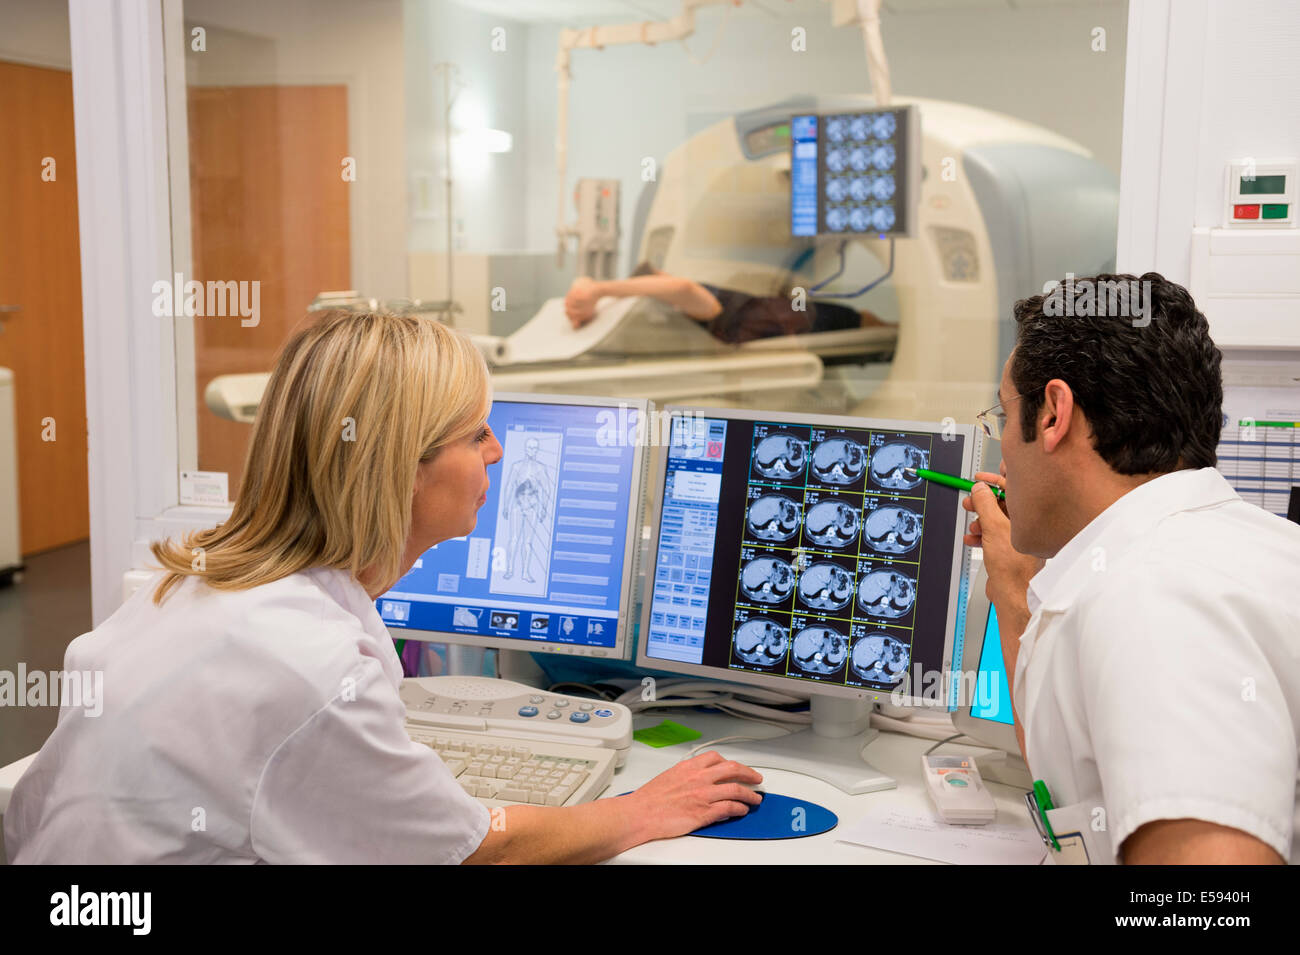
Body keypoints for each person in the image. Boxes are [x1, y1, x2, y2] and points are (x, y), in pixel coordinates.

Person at [3, 310, 761, 864]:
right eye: (474, 435)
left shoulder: (191, 588)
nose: (497, 450)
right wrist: (637, 812)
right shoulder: (311, 663)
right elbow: (472, 851)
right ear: (401, 468)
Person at [963, 272, 1299, 865]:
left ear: (1052, 415)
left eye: (1003, 414)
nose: (1001, 452)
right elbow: (1069, 793)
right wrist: (1013, 588)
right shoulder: (1218, 546)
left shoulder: (1153, 602)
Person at [563, 262, 884, 344]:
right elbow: (683, 287)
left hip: (793, 315)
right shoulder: (689, 308)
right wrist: (600, 289)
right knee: (867, 323)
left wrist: (591, 289)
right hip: (803, 324)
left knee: (869, 323)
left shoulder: (683, 316)